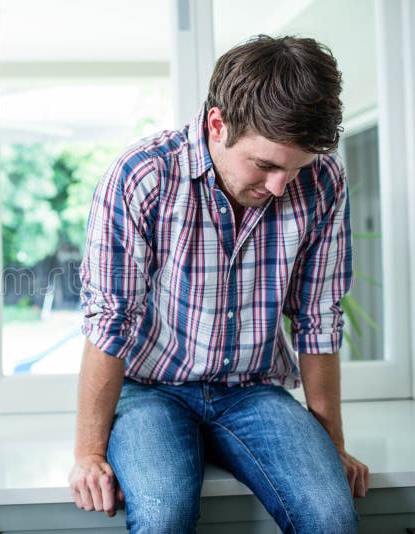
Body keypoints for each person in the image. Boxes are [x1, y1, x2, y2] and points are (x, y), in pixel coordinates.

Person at [69, 35, 369, 533]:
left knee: (331, 515)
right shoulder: (142, 177)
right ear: (217, 125)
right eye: (266, 165)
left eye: (293, 170)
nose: (279, 187)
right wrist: (87, 454)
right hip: (151, 391)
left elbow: (318, 317)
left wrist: (331, 446)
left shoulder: (322, 181)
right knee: (164, 514)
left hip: (254, 391)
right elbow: (109, 320)